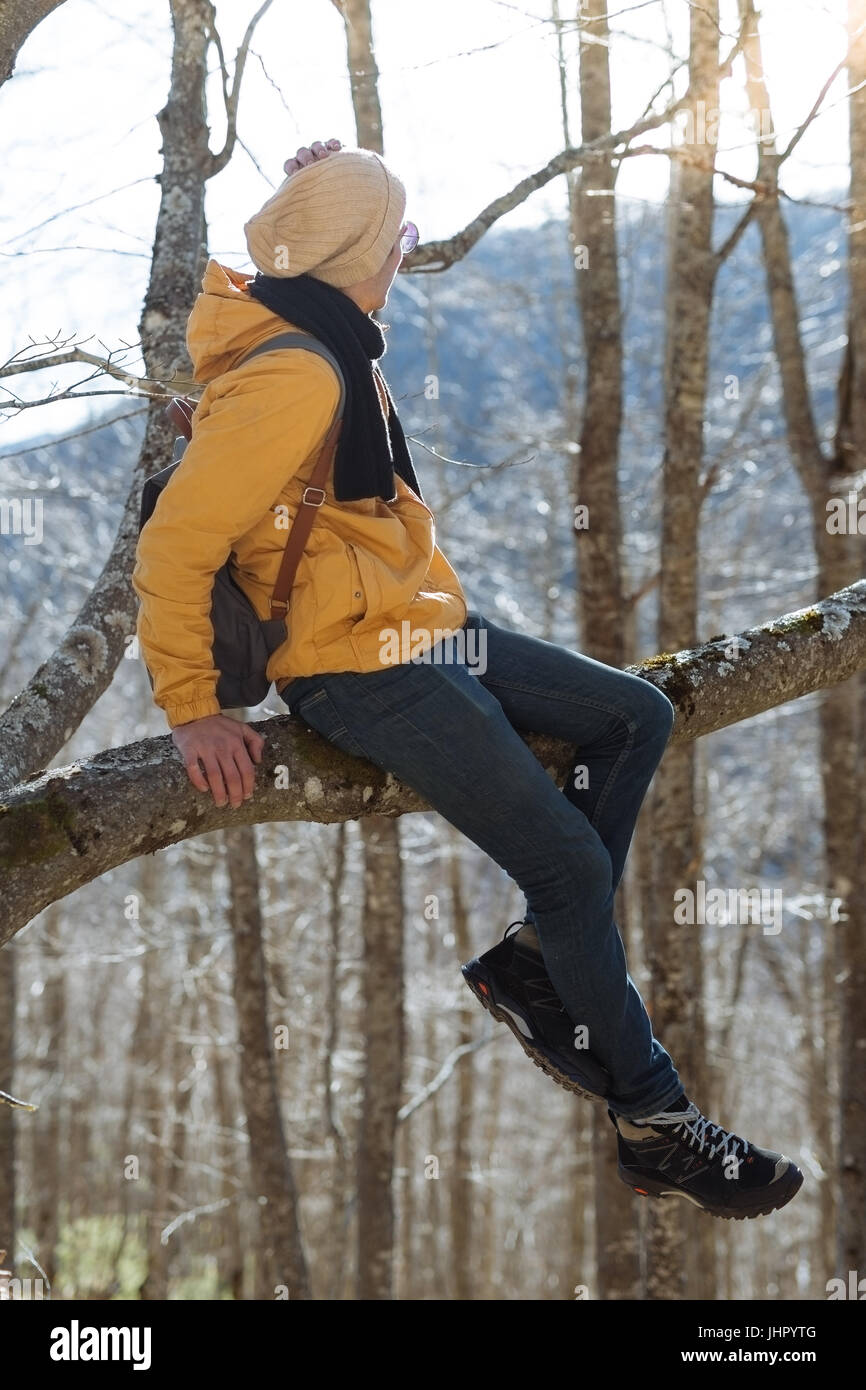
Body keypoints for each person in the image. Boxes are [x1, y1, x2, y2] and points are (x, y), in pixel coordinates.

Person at [132, 139, 803, 1222]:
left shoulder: (321, 327)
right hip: (357, 663)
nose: (406, 244)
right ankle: (651, 1119)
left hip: (421, 625)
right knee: (572, 871)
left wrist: (333, 176)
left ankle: (540, 963)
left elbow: (315, 269)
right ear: (354, 252)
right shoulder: (296, 368)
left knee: (630, 715)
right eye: (393, 231)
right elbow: (172, 548)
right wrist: (194, 711)